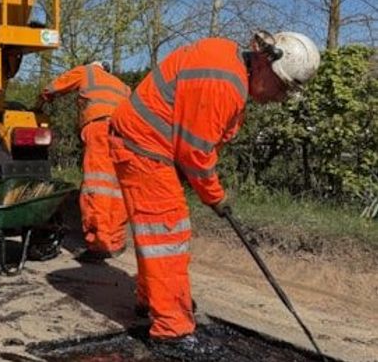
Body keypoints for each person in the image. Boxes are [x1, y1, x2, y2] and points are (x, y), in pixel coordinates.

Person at [108, 31, 320, 357]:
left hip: (149, 146)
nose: (280, 97)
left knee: (161, 235)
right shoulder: (224, 83)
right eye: (282, 87)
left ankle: (156, 299)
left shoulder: (228, 65)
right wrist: (215, 197)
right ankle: (171, 330)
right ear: (265, 63)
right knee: (167, 234)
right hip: (144, 148)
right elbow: (195, 152)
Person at [35, 61, 131, 261]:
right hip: (124, 133)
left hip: (99, 129)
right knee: (117, 188)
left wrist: (42, 99)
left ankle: (99, 244)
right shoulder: (122, 86)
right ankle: (115, 241)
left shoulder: (88, 72)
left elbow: (56, 86)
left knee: (97, 187)